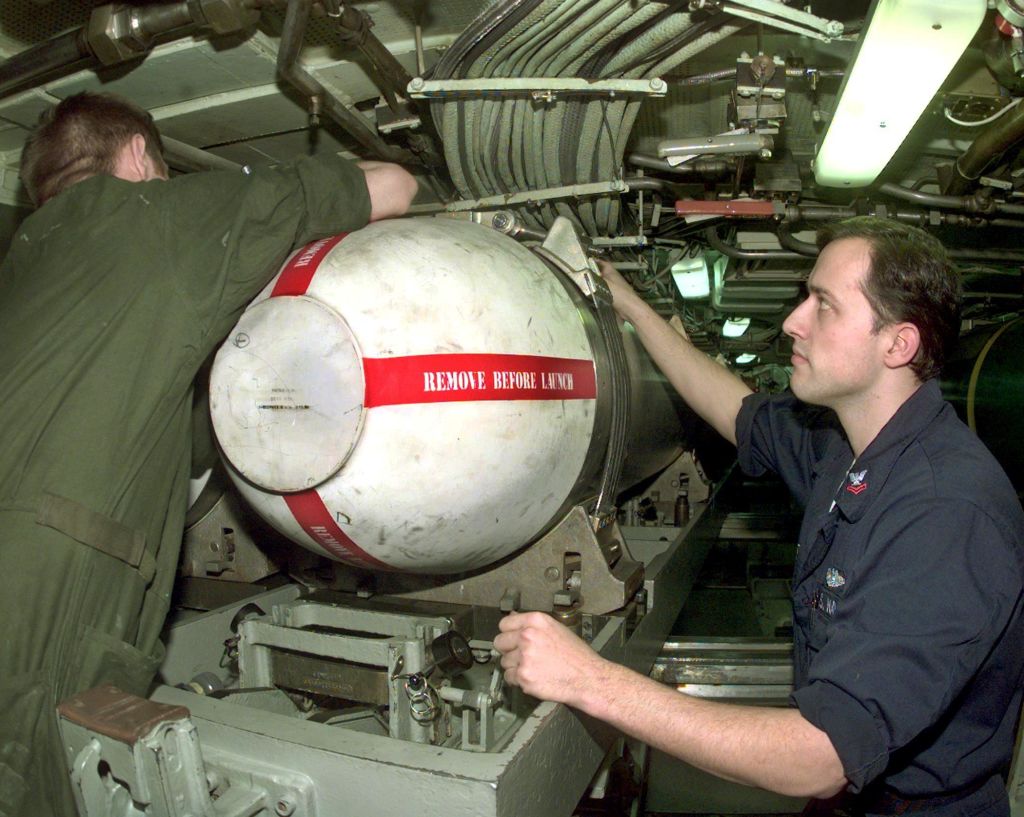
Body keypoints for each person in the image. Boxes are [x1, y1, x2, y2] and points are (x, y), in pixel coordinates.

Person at [495, 218, 1024, 816]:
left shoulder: (947, 514)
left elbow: (819, 756)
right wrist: (633, 308)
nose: (794, 321)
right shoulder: (846, 445)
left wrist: (587, 679)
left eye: (823, 305)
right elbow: (739, 412)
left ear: (897, 345)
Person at [0, 91, 417, 817]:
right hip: (44, 601)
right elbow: (393, 186)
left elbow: (169, 425)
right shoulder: (151, 222)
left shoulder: (26, 266)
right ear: (138, 157)